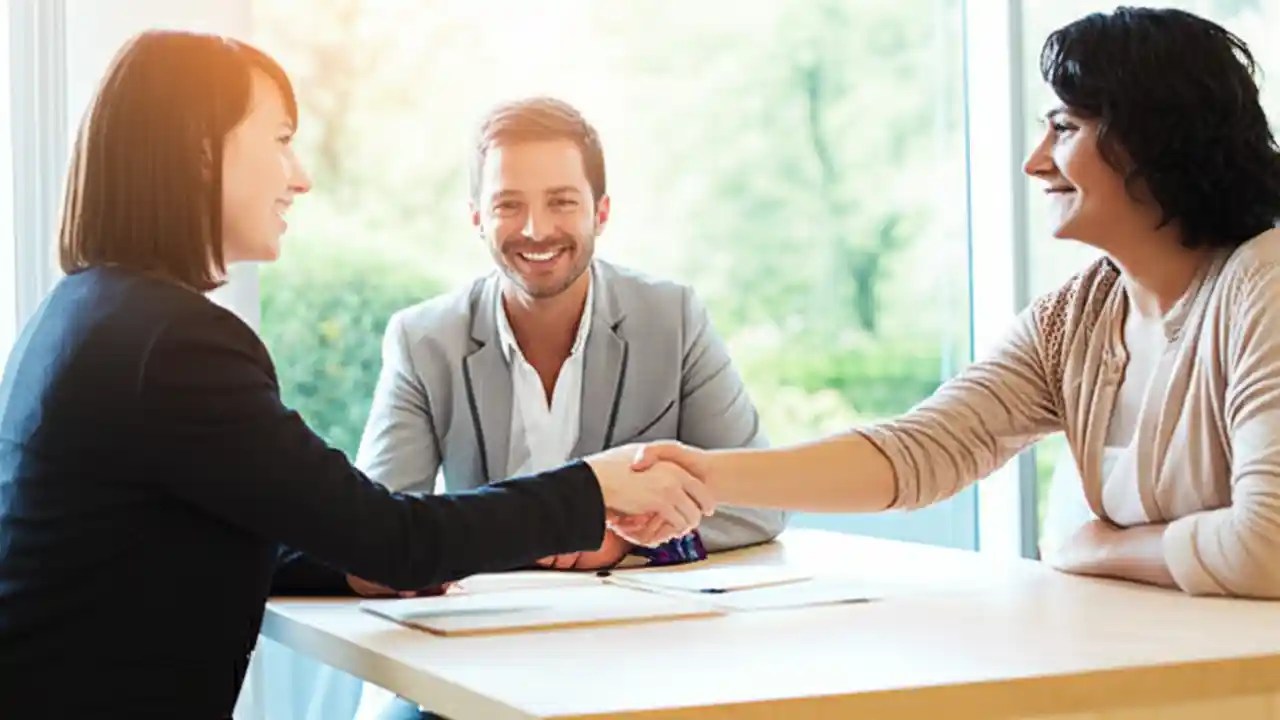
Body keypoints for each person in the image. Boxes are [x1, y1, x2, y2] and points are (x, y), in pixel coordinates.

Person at [0, 31, 711, 719]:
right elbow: (395, 536)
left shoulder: (90, 312)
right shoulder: (175, 344)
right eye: (279, 140)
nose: (300, 175)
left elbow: (188, 533)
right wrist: (596, 486)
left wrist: (343, 567)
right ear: (200, 153)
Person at [628, 7, 1280, 599]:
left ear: (1156, 137)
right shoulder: (1077, 316)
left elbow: (1268, 548)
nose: (1035, 161)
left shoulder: (1263, 282)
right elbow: (923, 451)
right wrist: (703, 476)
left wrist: (1100, 548)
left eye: (1063, 127)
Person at [344, 96, 787, 718]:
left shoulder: (673, 318)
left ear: (600, 212)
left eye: (561, 202)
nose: (534, 229)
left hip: (643, 658)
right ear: (476, 217)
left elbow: (758, 501)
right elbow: (375, 529)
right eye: (508, 204)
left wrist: (627, 541)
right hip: (475, 656)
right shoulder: (424, 340)